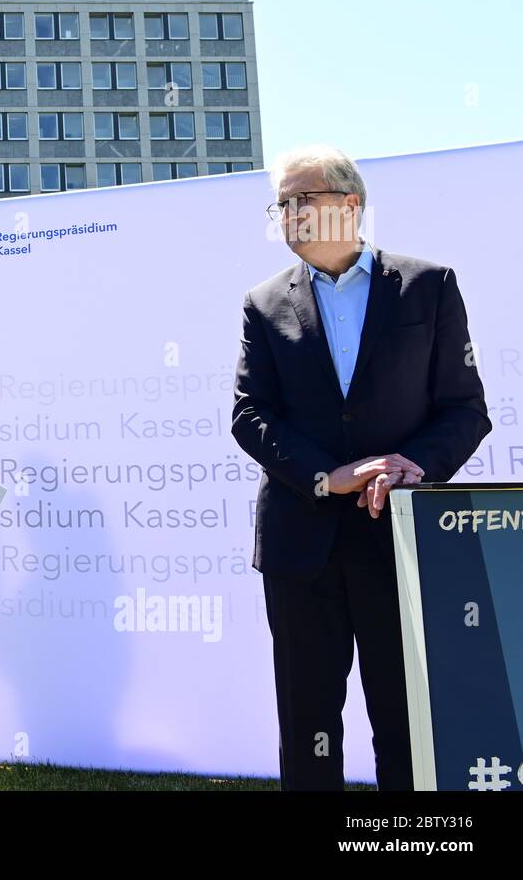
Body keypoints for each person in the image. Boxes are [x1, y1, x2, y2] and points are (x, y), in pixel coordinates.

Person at [231, 145, 491, 790]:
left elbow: (465, 410)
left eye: (301, 200)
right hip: (301, 540)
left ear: (350, 205)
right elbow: (250, 413)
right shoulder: (263, 303)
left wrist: (413, 466)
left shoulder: (429, 286)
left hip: (399, 538)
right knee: (307, 718)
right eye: (280, 204)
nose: (287, 215)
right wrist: (327, 476)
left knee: (405, 720)